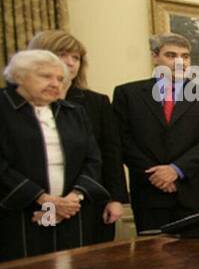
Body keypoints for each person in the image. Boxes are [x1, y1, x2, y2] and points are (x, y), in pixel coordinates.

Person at [1, 50, 110, 261]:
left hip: (70, 212)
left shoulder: (73, 112)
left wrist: (70, 200)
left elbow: (93, 158)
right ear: (19, 76)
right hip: (18, 214)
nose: (55, 83)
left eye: (60, 79)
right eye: (46, 76)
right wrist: (43, 200)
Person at [112, 33, 199, 233]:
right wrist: (157, 175)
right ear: (155, 57)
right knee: (154, 259)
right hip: (150, 192)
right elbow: (122, 140)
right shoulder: (128, 94)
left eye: (185, 56)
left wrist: (176, 170)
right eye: (171, 55)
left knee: (198, 259)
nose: (179, 62)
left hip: (194, 191)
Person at [27, 31, 126, 244]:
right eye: (63, 55)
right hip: (34, 203)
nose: (70, 63)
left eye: (76, 58)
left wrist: (116, 199)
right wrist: (47, 201)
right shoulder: (18, 103)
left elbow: (110, 153)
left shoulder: (96, 102)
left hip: (87, 201)